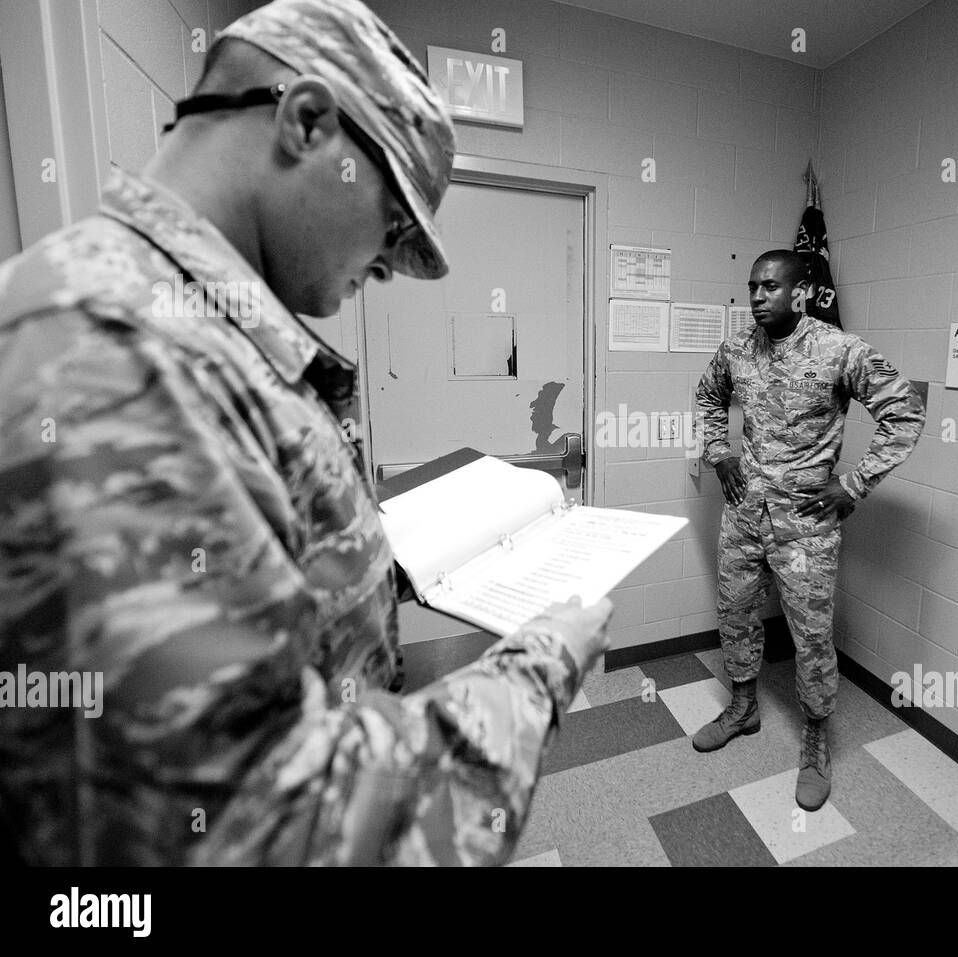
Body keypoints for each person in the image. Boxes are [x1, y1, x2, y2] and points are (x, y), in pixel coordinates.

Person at [0, 0, 611, 866]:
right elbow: (261, 832)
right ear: (307, 121)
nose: (395, 268)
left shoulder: (197, 330)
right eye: (395, 221)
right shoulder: (112, 351)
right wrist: (544, 664)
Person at [693, 250, 925, 810]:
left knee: (811, 637)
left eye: (770, 286)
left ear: (801, 292)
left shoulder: (841, 350)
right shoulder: (736, 348)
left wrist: (854, 485)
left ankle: (816, 741)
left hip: (806, 528)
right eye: (752, 286)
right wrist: (720, 452)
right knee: (736, 613)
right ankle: (744, 706)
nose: (756, 296)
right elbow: (707, 397)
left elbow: (906, 413)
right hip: (745, 514)